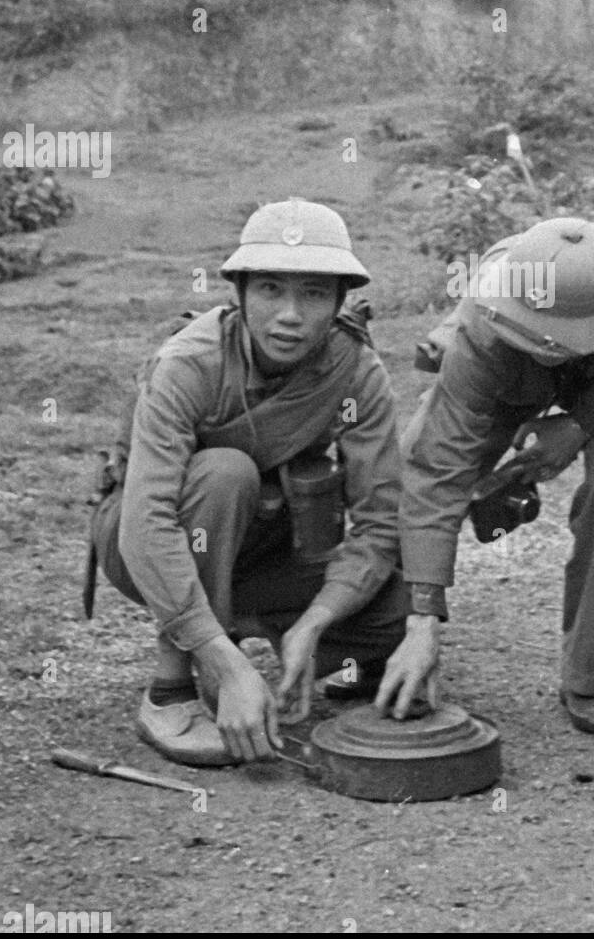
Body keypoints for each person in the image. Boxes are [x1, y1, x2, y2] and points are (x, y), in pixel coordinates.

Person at [88, 199, 407, 766]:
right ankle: (172, 688)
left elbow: (380, 521)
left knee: (398, 606)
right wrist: (222, 663)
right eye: (270, 290)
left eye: (313, 293)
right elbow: (145, 520)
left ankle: (256, 627)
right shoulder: (190, 364)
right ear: (238, 294)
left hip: (261, 548)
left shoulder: (356, 372)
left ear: (339, 302)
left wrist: (315, 621)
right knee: (225, 472)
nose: (290, 315)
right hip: (148, 541)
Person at [375, 217, 594, 734]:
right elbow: (438, 473)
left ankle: (584, 673)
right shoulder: (482, 328)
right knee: (407, 478)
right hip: (505, 372)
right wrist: (424, 616)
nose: (549, 347)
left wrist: (579, 425)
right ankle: (388, 647)